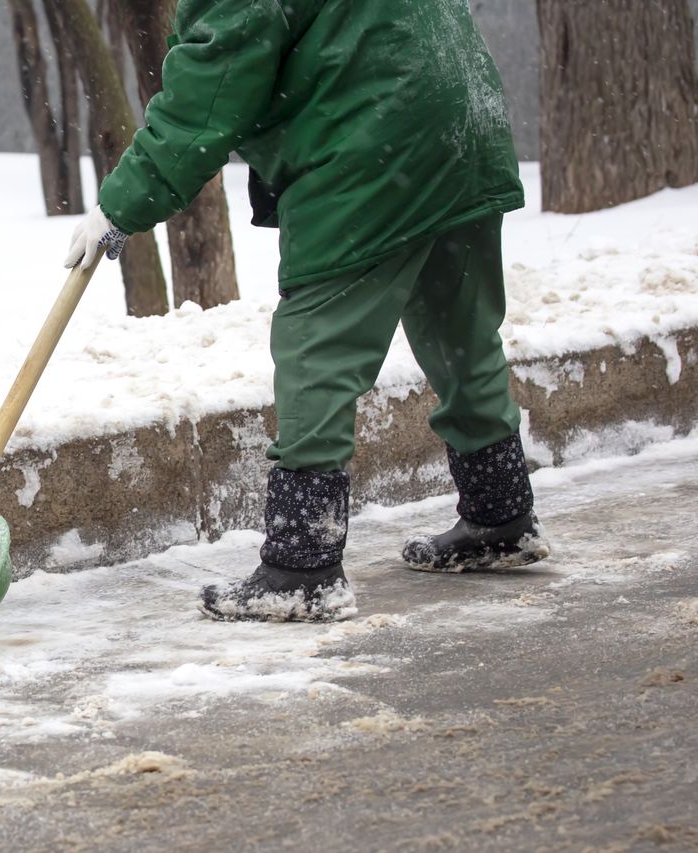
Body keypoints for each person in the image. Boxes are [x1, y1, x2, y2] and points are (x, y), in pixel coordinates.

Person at [65, 0, 552, 623]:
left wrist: (120, 205)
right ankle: (501, 515)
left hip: (373, 139)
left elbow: (209, 98)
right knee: (459, 327)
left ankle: (302, 568)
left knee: (318, 343)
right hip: (460, 118)